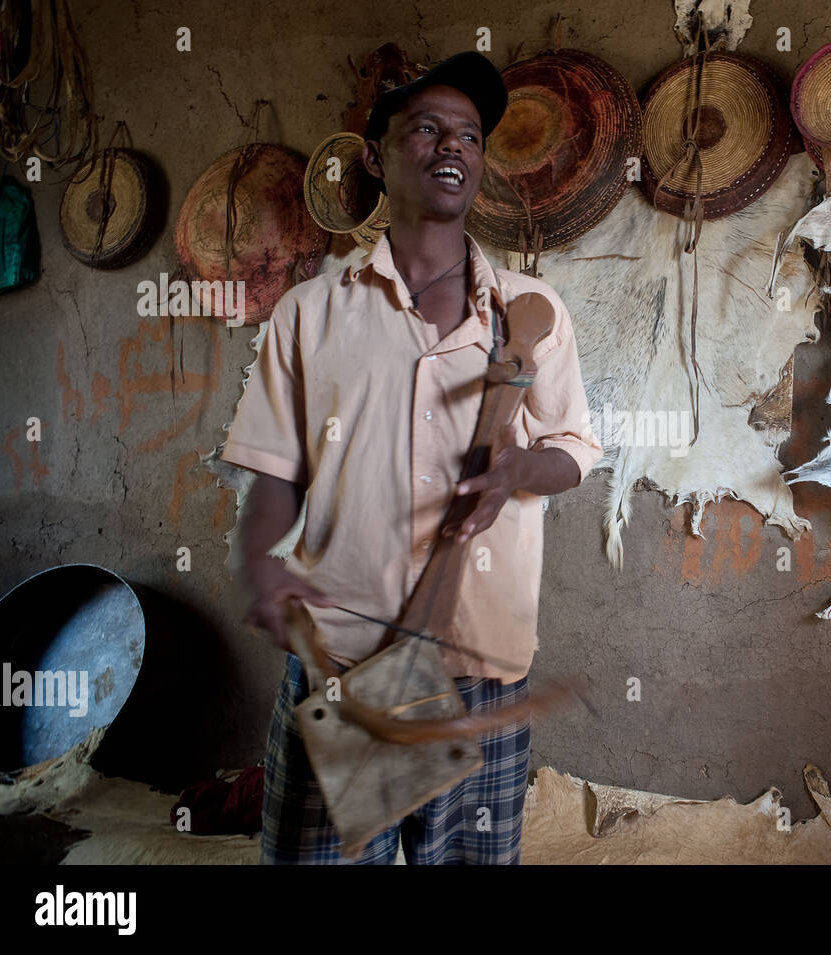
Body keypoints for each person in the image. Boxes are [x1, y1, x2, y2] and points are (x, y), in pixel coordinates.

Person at [221, 50, 603, 864]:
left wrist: (514, 474)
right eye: (426, 128)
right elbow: (276, 472)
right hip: (345, 668)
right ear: (377, 156)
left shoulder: (531, 313)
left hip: (478, 667)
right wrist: (258, 561)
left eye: (468, 134)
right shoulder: (309, 314)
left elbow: (573, 448)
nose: (451, 146)